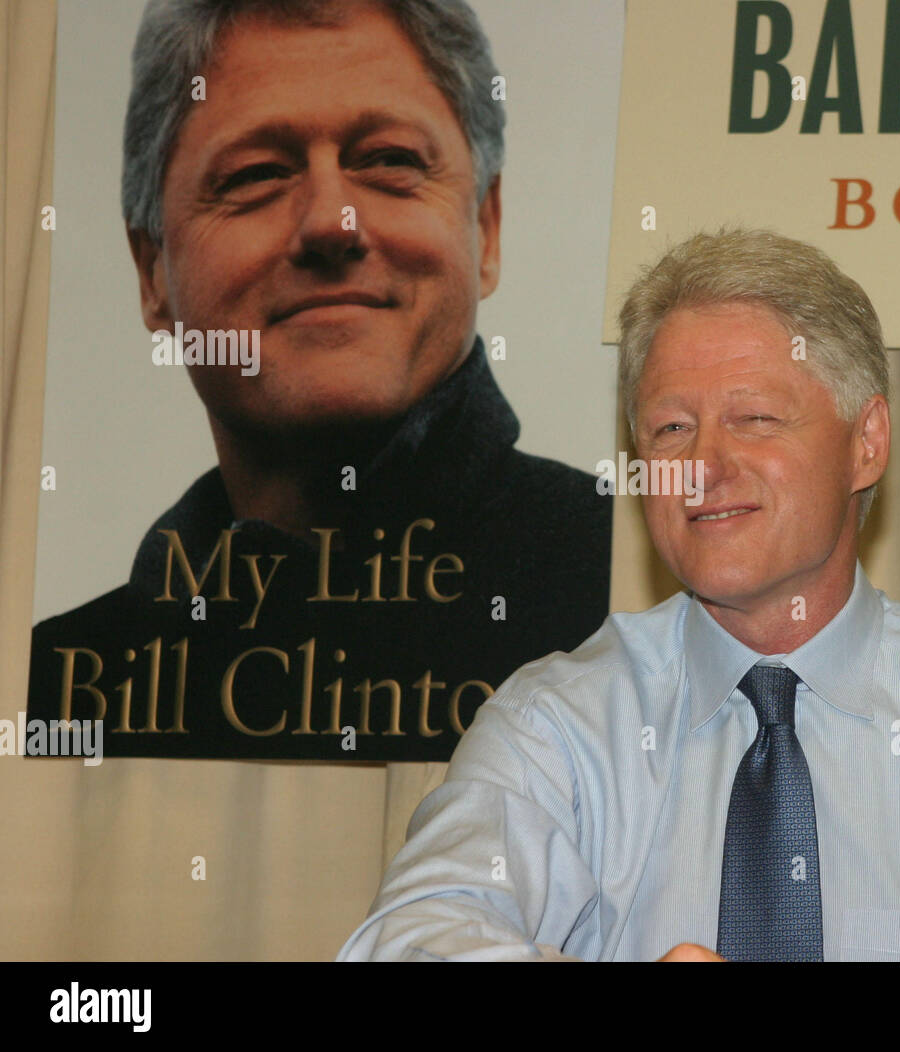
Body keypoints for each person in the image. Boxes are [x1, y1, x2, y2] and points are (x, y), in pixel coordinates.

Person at [339, 229, 900, 961]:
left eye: (755, 418)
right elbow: (410, 939)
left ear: (867, 443)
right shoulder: (559, 729)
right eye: (669, 428)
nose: (705, 466)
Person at [26, 0, 610, 761]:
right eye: (256, 174)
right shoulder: (47, 689)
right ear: (151, 271)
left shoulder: (637, 611)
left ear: (486, 228)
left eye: (391, 159)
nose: (332, 223)